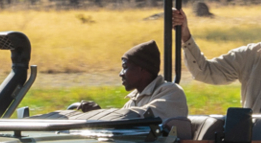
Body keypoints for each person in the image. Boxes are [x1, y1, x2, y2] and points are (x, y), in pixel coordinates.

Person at [57, 40, 188, 122]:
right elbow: (122, 122)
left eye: (125, 68)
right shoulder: (133, 101)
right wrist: (99, 114)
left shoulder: (171, 92)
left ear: (142, 69)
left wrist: (102, 114)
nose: (121, 74)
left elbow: (142, 118)